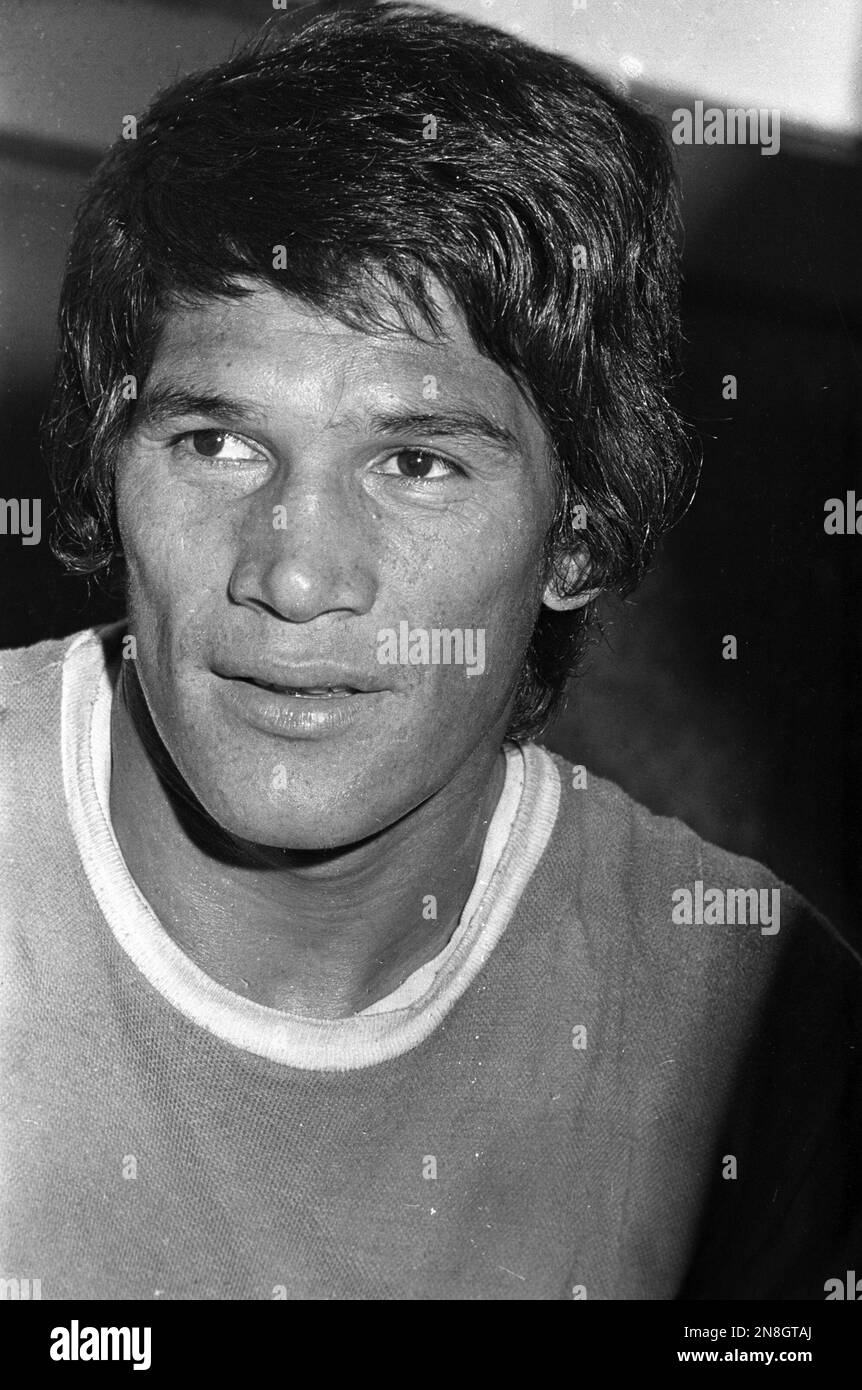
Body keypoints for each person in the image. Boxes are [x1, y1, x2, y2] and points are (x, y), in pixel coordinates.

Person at [1, 1, 859, 1301]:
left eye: (411, 461)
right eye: (215, 443)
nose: (291, 572)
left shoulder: (763, 1018)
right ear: (107, 474)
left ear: (578, 529)